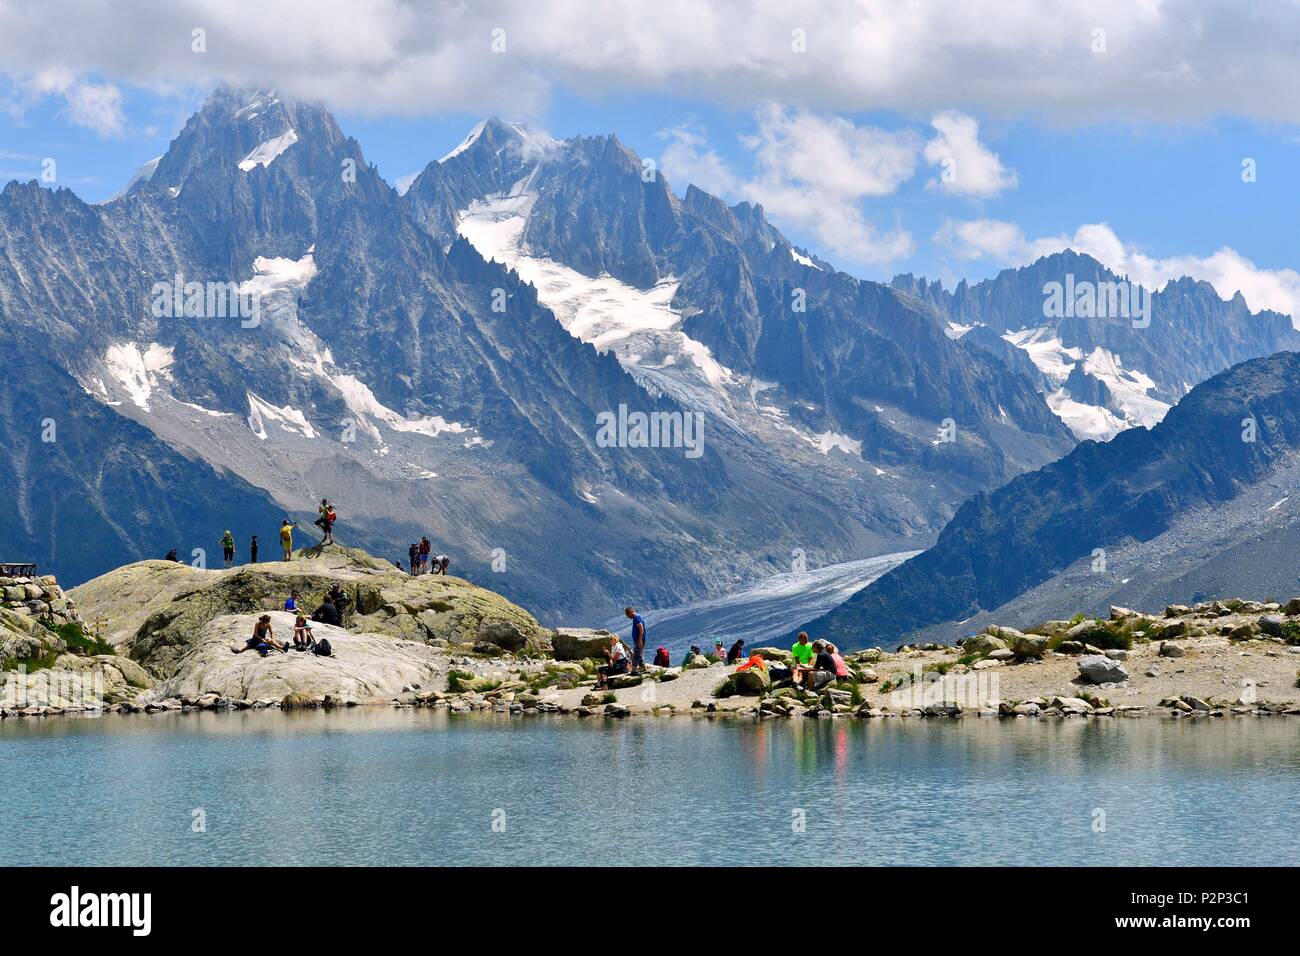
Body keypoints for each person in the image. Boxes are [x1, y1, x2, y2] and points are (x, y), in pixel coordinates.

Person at [625, 607, 646, 674]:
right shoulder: (637, 617)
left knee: (636, 654)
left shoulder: (636, 618)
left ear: (631, 612)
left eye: (627, 615)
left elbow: (641, 627)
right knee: (639, 654)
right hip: (639, 640)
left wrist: (640, 639)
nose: (628, 617)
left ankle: (634, 670)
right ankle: (643, 667)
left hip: (639, 640)